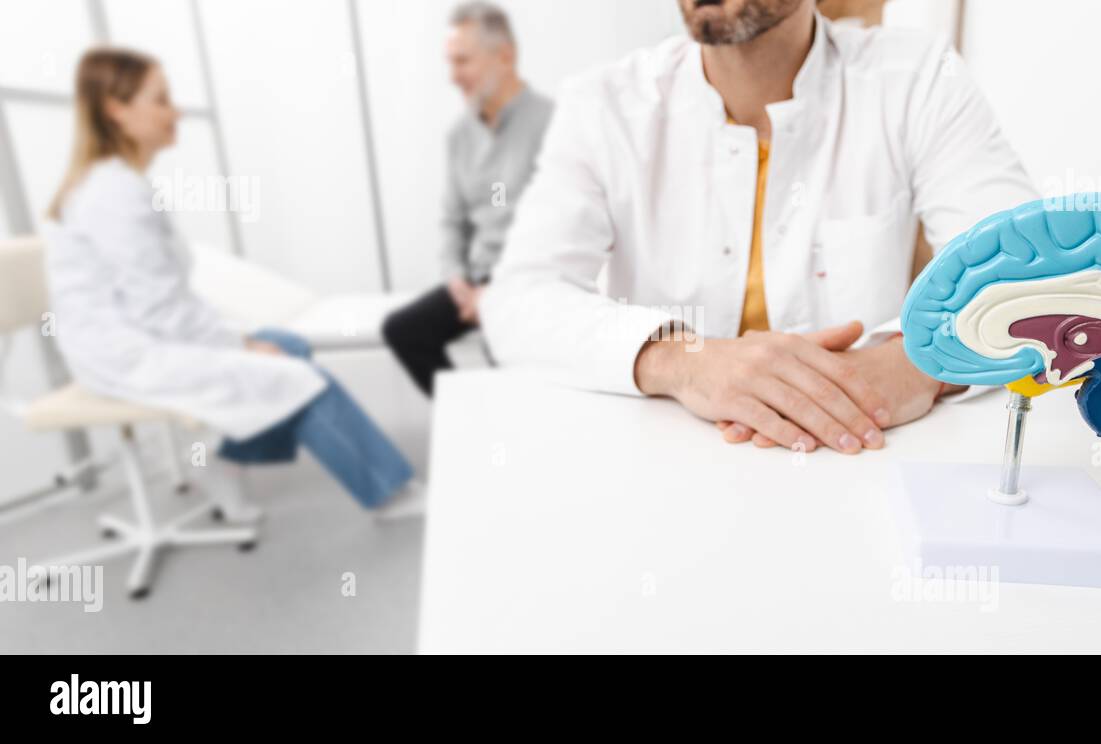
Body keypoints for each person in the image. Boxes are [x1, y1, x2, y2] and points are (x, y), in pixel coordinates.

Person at [482, 0, 1037, 454]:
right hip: (668, 466)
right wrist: (679, 361)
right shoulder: (603, 105)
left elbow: (1032, 276)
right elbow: (519, 301)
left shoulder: (916, 79)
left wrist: (922, 364)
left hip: (868, 457)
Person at [44, 48, 422, 522]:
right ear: (117, 110)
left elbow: (166, 298)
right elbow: (161, 313)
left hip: (137, 335)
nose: (174, 111)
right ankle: (391, 494)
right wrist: (239, 345)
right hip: (126, 353)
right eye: (161, 100)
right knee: (303, 379)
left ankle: (225, 460)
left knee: (287, 343)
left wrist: (243, 341)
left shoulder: (119, 185)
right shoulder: (113, 196)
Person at [382, 1, 553, 395]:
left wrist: (496, 293)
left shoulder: (552, 124)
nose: (453, 77)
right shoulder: (459, 135)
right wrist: (455, 276)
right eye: (449, 63)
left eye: (463, 62)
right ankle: (471, 421)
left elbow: (556, 229)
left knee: (505, 349)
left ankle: (507, 433)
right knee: (404, 330)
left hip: (530, 279)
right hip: (475, 276)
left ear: (505, 56)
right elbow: (452, 220)